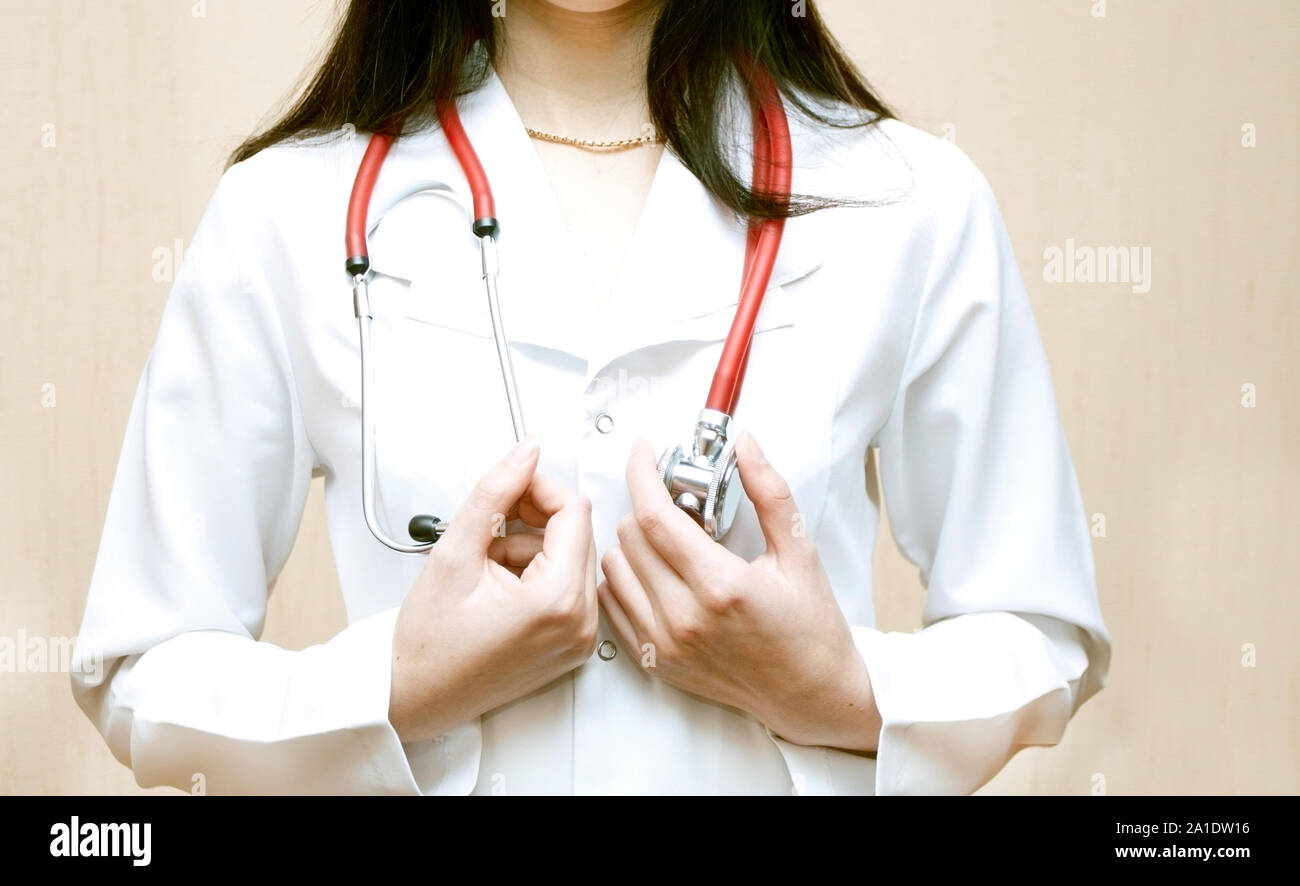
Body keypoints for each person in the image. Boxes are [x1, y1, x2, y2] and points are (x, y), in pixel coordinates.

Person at [72, 0, 1110, 795]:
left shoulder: (909, 199)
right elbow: (142, 668)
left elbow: (1036, 629)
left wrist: (839, 693)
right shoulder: (288, 210)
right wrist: (395, 687)